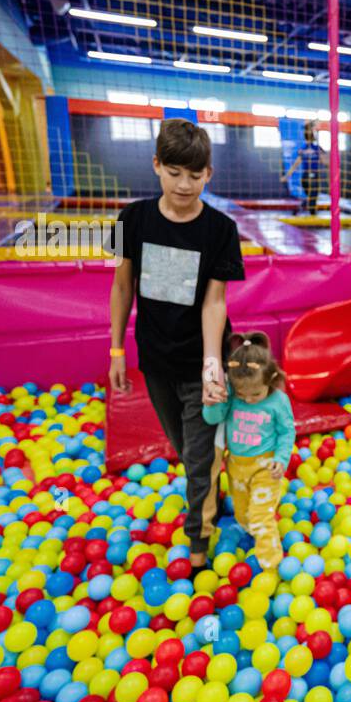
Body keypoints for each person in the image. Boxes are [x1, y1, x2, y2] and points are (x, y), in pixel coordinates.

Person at [106, 118, 245, 575]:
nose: (185, 184)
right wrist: (116, 351)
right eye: (175, 172)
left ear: (209, 174)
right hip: (157, 359)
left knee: (199, 460)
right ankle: (212, 489)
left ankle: (199, 547)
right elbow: (122, 287)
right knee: (187, 450)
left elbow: (214, 302)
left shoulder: (220, 229)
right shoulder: (133, 219)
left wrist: (212, 367)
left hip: (200, 358)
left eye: (195, 174)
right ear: (156, 167)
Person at [202, 332, 295, 572]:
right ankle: (255, 535)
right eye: (243, 394)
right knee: (243, 515)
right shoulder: (233, 395)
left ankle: (272, 565)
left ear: (271, 379)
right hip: (237, 467)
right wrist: (214, 402)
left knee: (260, 516)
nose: (249, 399)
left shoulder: (278, 401)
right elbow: (212, 418)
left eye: (256, 394)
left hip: (265, 467)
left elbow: (286, 433)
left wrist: (281, 459)